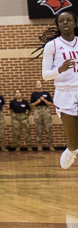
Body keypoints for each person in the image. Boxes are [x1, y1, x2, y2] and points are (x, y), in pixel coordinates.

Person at [38, 9, 78, 168]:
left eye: (69, 20)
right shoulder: (52, 46)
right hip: (65, 93)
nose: (65, 23)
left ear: (75, 23)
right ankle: (72, 150)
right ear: (58, 25)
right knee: (74, 140)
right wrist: (60, 69)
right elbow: (45, 76)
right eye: (61, 21)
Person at [30, 80, 54, 152]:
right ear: (35, 85)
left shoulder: (46, 93)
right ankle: (39, 145)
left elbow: (50, 103)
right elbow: (31, 104)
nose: (38, 84)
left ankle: (50, 145)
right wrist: (37, 102)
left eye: (39, 83)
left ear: (42, 84)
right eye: (37, 83)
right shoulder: (34, 94)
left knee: (48, 128)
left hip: (45, 110)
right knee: (38, 128)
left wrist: (44, 100)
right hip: (37, 110)